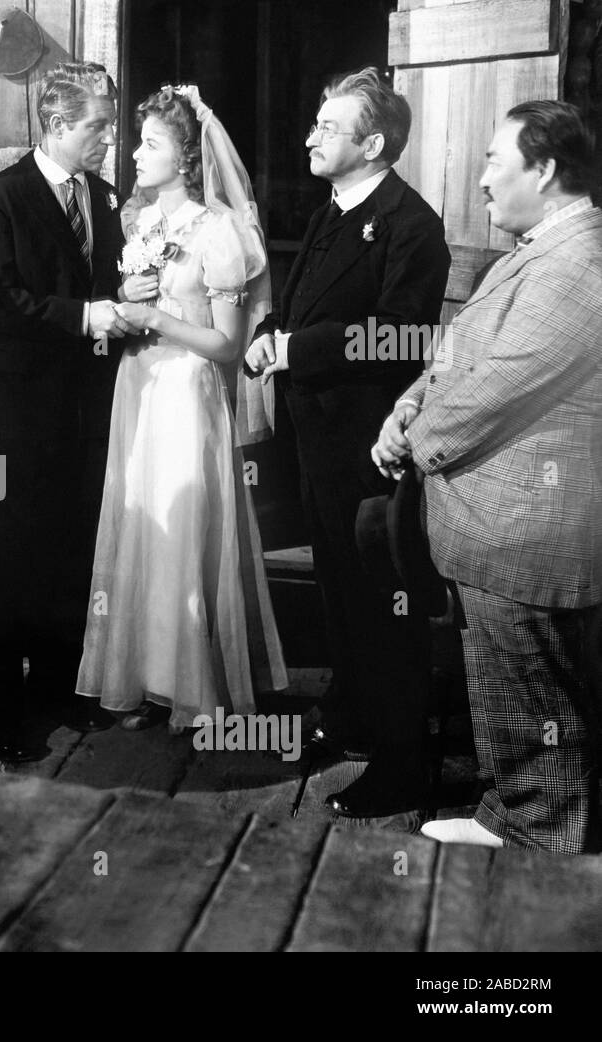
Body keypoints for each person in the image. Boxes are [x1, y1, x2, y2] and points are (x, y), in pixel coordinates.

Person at [373, 101, 602, 853]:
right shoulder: (533, 252)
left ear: (546, 169)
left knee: (539, 708)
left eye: (494, 163)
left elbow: (502, 382)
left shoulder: (580, 266)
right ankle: (509, 813)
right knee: (509, 698)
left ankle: (543, 853)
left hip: (526, 538)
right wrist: (406, 403)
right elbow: (453, 358)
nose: (480, 183)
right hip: (493, 536)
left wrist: (411, 441)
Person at [243, 67, 450, 818]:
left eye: (327, 127)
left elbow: (400, 336)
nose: (309, 136)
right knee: (338, 592)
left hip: (368, 447)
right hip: (315, 439)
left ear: (371, 142)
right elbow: (302, 306)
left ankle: (402, 765)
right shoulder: (334, 208)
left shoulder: (411, 225)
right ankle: (353, 718)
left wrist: (297, 350)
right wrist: (272, 338)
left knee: (385, 605)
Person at [78, 85, 287, 728]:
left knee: (186, 522)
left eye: (150, 144)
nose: (133, 154)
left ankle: (193, 685)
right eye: (137, 141)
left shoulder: (221, 230)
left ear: (189, 158)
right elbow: (134, 303)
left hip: (187, 392)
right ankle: (141, 676)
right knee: (141, 521)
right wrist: (127, 294)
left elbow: (227, 344)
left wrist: (154, 317)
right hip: (138, 385)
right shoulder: (139, 223)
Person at [0, 61, 130, 763]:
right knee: (15, 551)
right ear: (58, 124)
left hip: (95, 404)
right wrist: (84, 315)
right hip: (27, 405)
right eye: (98, 126)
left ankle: (63, 687)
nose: (109, 139)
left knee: (76, 543)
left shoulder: (107, 196)